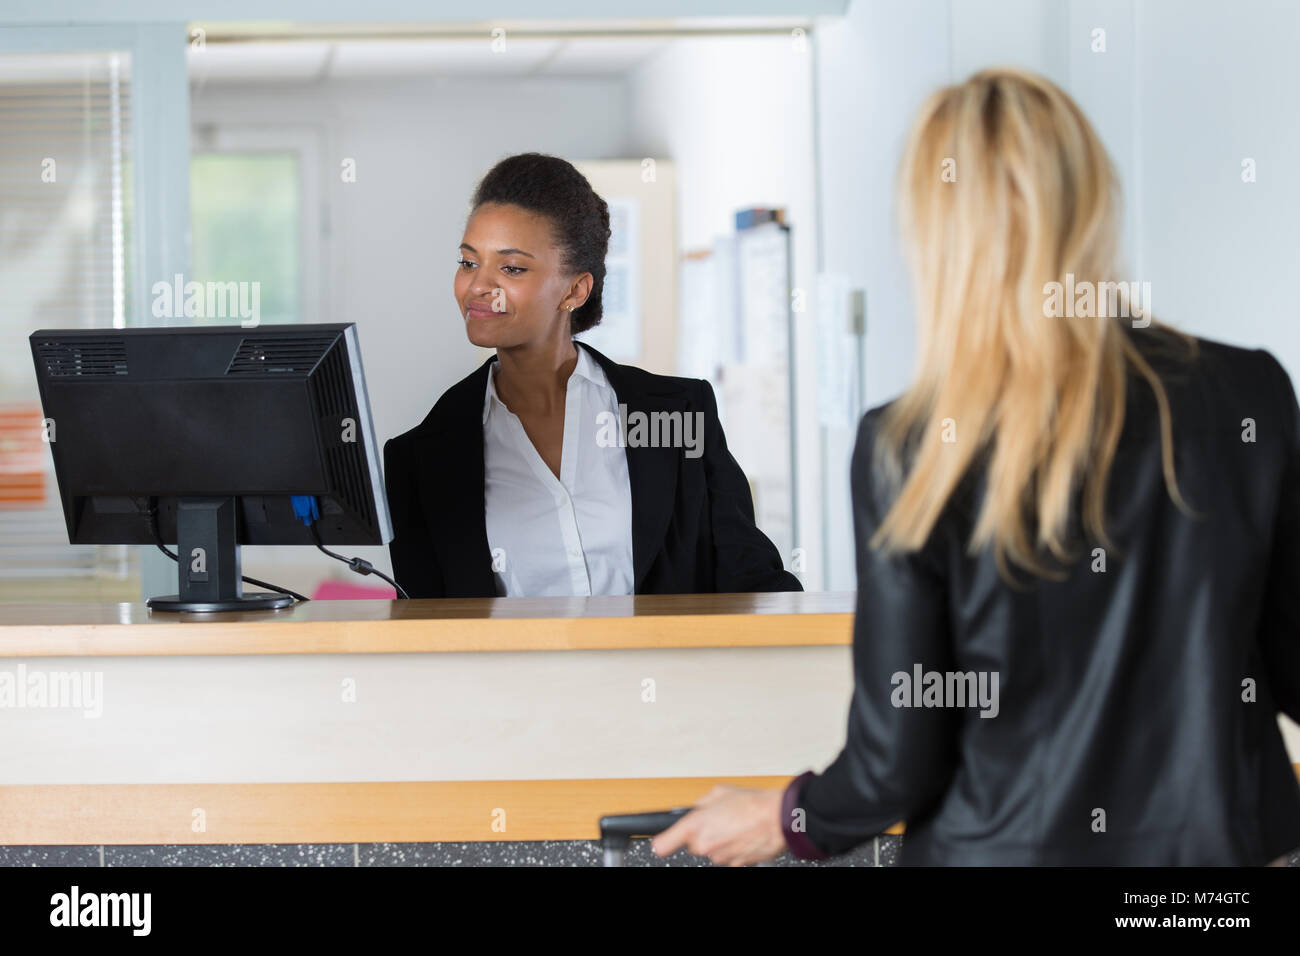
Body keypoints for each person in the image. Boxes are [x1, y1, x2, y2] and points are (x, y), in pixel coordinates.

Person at [654, 68, 1300, 866]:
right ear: (1093, 197)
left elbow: (900, 756)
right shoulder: (1248, 393)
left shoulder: (911, 448)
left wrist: (790, 816)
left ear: (933, 231)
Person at [384, 153, 800, 598]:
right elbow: (427, 629)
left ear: (575, 290)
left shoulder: (675, 416)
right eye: (469, 262)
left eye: (511, 268)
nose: (478, 286)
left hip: (665, 667)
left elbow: (751, 577)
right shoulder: (423, 458)